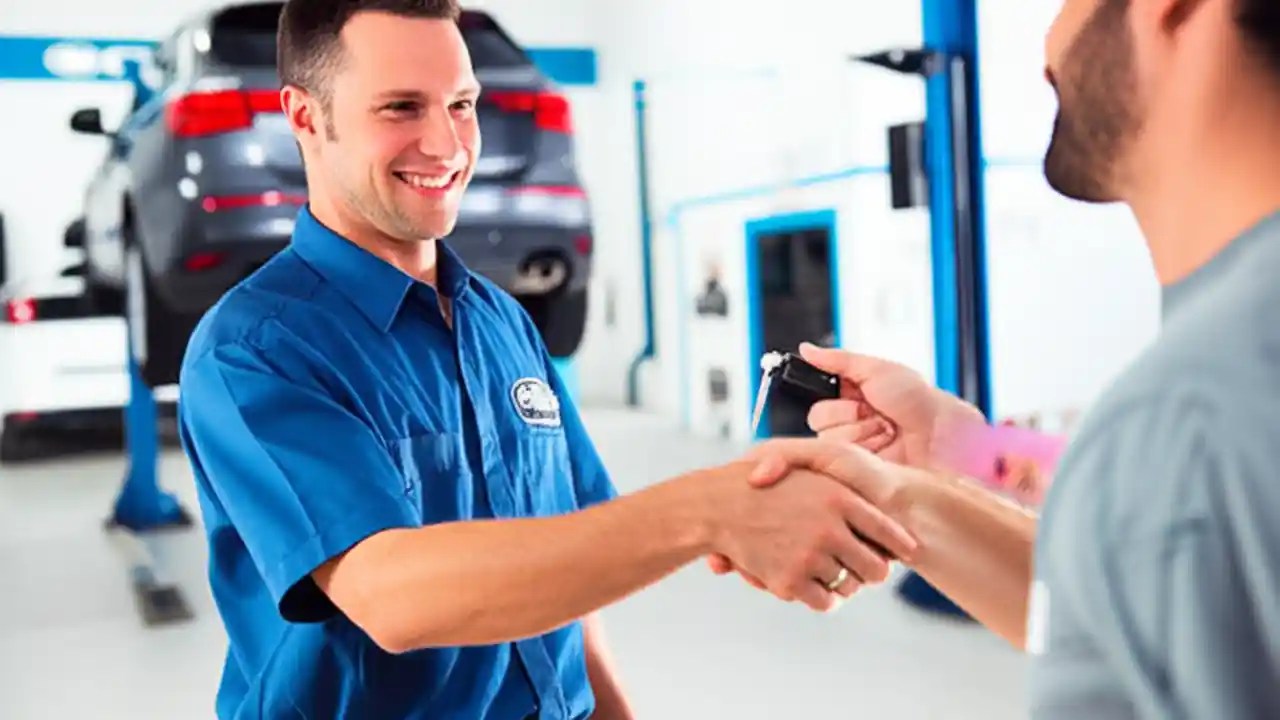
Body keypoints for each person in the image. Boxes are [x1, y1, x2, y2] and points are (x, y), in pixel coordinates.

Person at [175, 1, 918, 719]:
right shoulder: (255, 351)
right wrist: (708, 510)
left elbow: (564, 549)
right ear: (306, 117)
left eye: (461, 104)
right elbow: (392, 598)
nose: (447, 144)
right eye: (401, 107)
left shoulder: (503, 324)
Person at [715, 0, 1280, 716]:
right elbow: (1124, 616)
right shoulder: (1210, 395)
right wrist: (954, 461)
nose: (1046, 43)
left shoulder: (1187, 413)